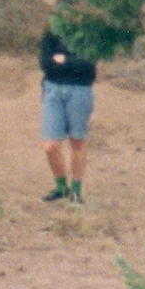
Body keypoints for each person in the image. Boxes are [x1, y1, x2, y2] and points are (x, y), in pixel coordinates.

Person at [39, 25, 96, 204]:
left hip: (80, 89)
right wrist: (72, 63)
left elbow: (88, 66)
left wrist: (63, 61)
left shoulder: (89, 32)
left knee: (77, 141)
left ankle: (76, 191)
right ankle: (61, 187)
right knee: (50, 145)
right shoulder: (51, 32)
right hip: (53, 89)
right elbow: (45, 64)